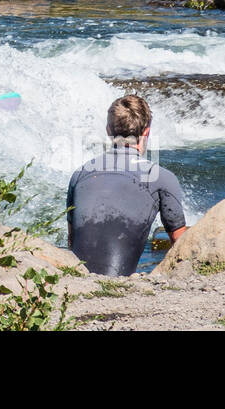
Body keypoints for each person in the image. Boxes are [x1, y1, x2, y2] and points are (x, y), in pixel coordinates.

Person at [66, 95, 188, 277]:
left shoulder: (79, 174)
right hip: (117, 283)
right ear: (146, 132)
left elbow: (72, 240)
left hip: (78, 279)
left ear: (108, 131)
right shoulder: (162, 178)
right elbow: (181, 249)